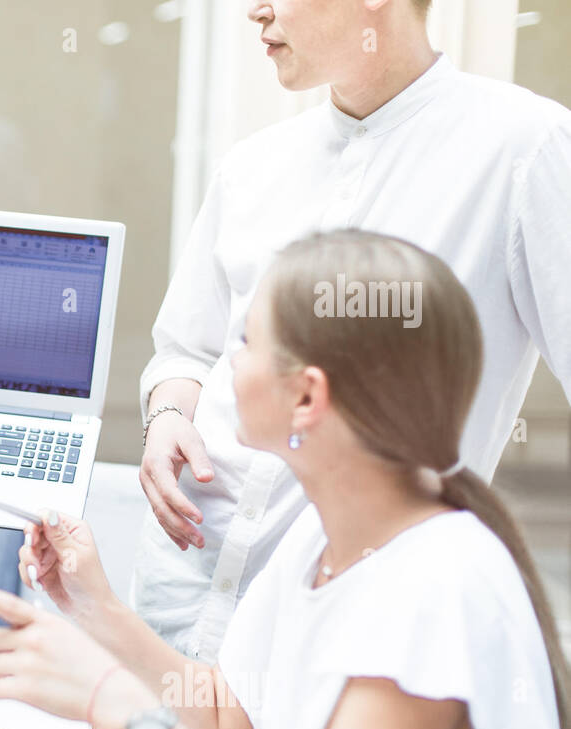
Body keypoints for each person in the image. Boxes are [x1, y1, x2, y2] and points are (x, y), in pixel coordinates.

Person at [0, 232, 571, 729]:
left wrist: (112, 700)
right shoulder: (325, 534)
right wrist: (96, 606)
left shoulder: (435, 586)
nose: (227, 366)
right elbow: (224, 714)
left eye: (246, 342)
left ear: (306, 396)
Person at [132, 0, 571, 662]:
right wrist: (167, 415)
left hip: (349, 627)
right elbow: (187, 350)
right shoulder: (254, 163)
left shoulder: (524, 148)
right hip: (178, 592)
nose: (256, 11)